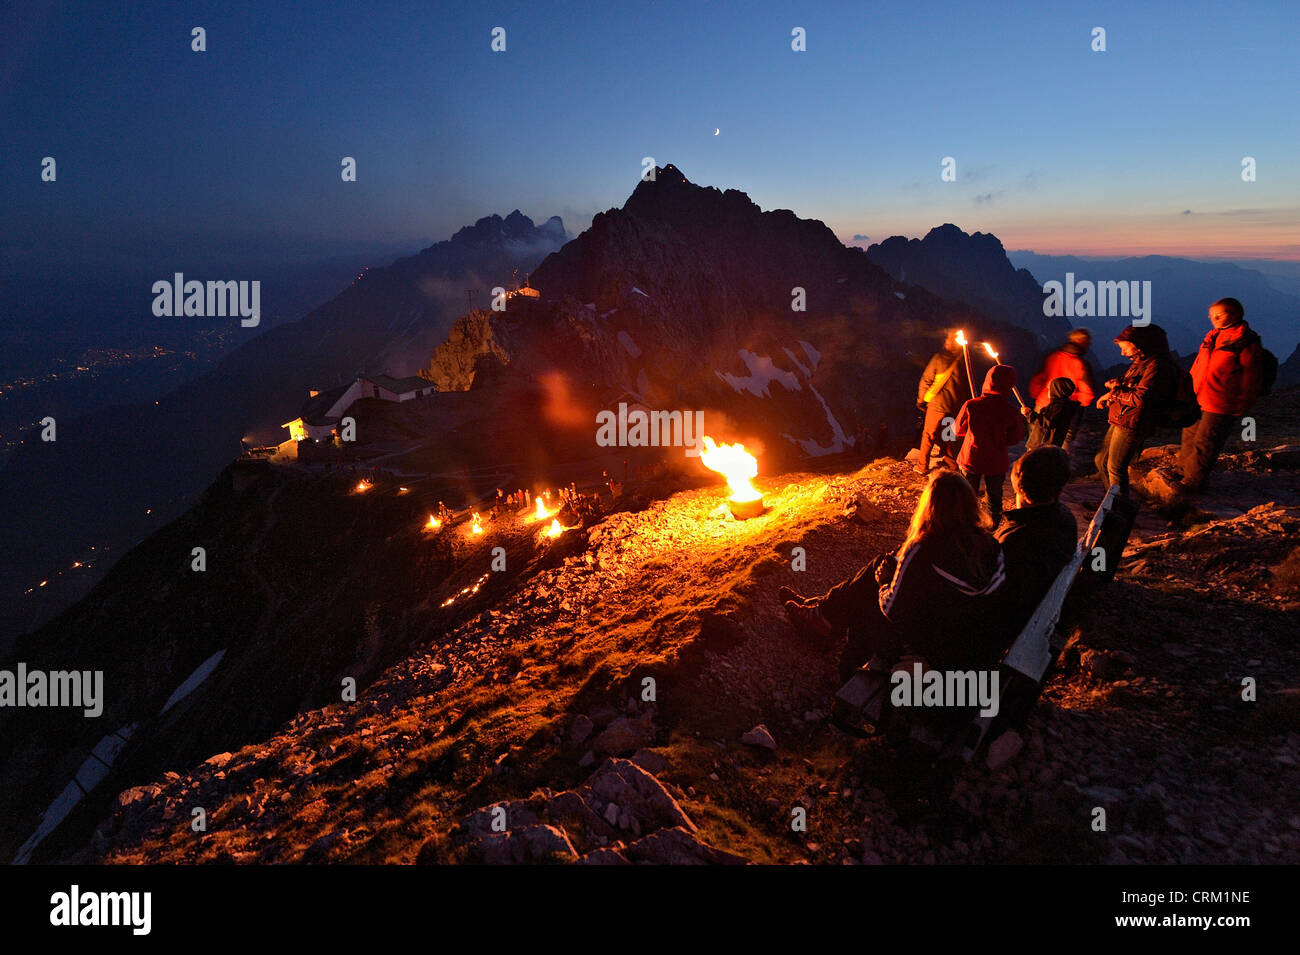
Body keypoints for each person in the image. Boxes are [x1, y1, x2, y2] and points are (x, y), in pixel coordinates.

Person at [782, 471, 1007, 679]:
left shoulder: (924, 548)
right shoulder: (991, 546)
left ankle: (841, 665)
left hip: (923, 651)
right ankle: (823, 611)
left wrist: (884, 582)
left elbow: (892, 609)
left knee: (868, 600)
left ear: (931, 506)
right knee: (882, 562)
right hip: (962, 643)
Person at [1178, 297, 1266, 494]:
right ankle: (1182, 472)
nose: (1214, 318)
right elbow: (1200, 364)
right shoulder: (1213, 335)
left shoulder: (1244, 340)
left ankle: (1192, 484)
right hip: (1199, 396)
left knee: (1206, 442)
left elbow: (1251, 377)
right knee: (1189, 436)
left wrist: (1243, 404)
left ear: (1235, 313)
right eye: (1211, 315)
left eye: (1220, 313)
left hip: (1222, 402)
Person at [994, 446, 1078, 636]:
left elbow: (999, 593)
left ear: (1018, 484)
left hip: (1011, 625)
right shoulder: (1064, 517)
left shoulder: (1016, 539)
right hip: (1039, 609)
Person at [1094, 324, 1178, 497]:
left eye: (1125, 347)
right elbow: (1131, 384)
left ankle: (1119, 510)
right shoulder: (1141, 362)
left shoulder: (1157, 366)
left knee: (1116, 468)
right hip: (1122, 417)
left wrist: (1115, 392)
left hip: (1133, 422)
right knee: (1101, 461)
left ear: (1141, 344)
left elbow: (1141, 398)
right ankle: (1108, 504)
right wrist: (1113, 389)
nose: (1123, 353)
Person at [954, 364, 1026, 528]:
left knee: (967, 493)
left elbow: (958, 430)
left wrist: (975, 430)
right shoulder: (1012, 411)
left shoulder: (971, 405)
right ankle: (993, 526)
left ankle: (965, 525)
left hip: (971, 457)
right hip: (996, 460)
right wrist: (999, 440)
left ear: (988, 381)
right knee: (994, 495)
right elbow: (1015, 438)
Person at [1028, 329, 1096, 451]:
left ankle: (1030, 467)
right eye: (1087, 342)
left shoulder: (1052, 357)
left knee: (1036, 440)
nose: (1089, 345)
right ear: (1080, 341)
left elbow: (1037, 380)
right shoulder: (1081, 364)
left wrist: (1037, 395)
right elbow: (1087, 393)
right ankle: (1055, 467)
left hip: (1044, 404)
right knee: (1061, 444)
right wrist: (1078, 405)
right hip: (1066, 410)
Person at [915, 331, 972, 474]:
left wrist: (921, 400)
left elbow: (926, 380)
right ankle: (952, 465)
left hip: (937, 405)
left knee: (928, 434)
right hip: (953, 406)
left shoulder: (938, 358)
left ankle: (922, 466)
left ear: (949, 343)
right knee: (947, 435)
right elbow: (966, 386)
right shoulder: (963, 361)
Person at [1023, 377, 1081, 450]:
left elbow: (1045, 423)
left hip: (1041, 446)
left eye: (1050, 389)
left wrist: (1029, 414)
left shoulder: (1056, 407)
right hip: (1051, 446)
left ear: (1056, 391)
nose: (1048, 391)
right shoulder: (1066, 406)